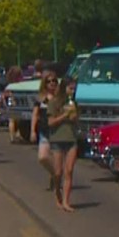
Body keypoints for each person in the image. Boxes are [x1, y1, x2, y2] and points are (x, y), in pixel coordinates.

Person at [47, 76, 80, 211]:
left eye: (74, 89)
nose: (72, 91)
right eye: (70, 88)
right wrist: (64, 115)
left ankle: (66, 201)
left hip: (71, 139)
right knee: (58, 172)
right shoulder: (54, 102)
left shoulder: (74, 103)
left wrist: (74, 117)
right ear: (64, 88)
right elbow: (50, 122)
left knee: (69, 170)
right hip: (57, 139)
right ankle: (57, 193)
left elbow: (76, 121)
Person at [30, 68, 60, 189]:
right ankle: (54, 174)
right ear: (45, 83)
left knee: (57, 158)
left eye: (54, 81)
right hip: (44, 131)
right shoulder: (41, 98)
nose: (52, 83)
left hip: (58, 132)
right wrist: (33, 131)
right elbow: (35, 114)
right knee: (43, 157)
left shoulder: (60, 98)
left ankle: (57, 179)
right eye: (49, 81)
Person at [4, 65, 24, 143]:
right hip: (17, 102)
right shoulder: (19, 84)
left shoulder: (9, 84)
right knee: (18, 120)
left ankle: (12, 136)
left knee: (11, 120)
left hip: (10, 102)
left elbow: (5, 94)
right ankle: (18, 134)